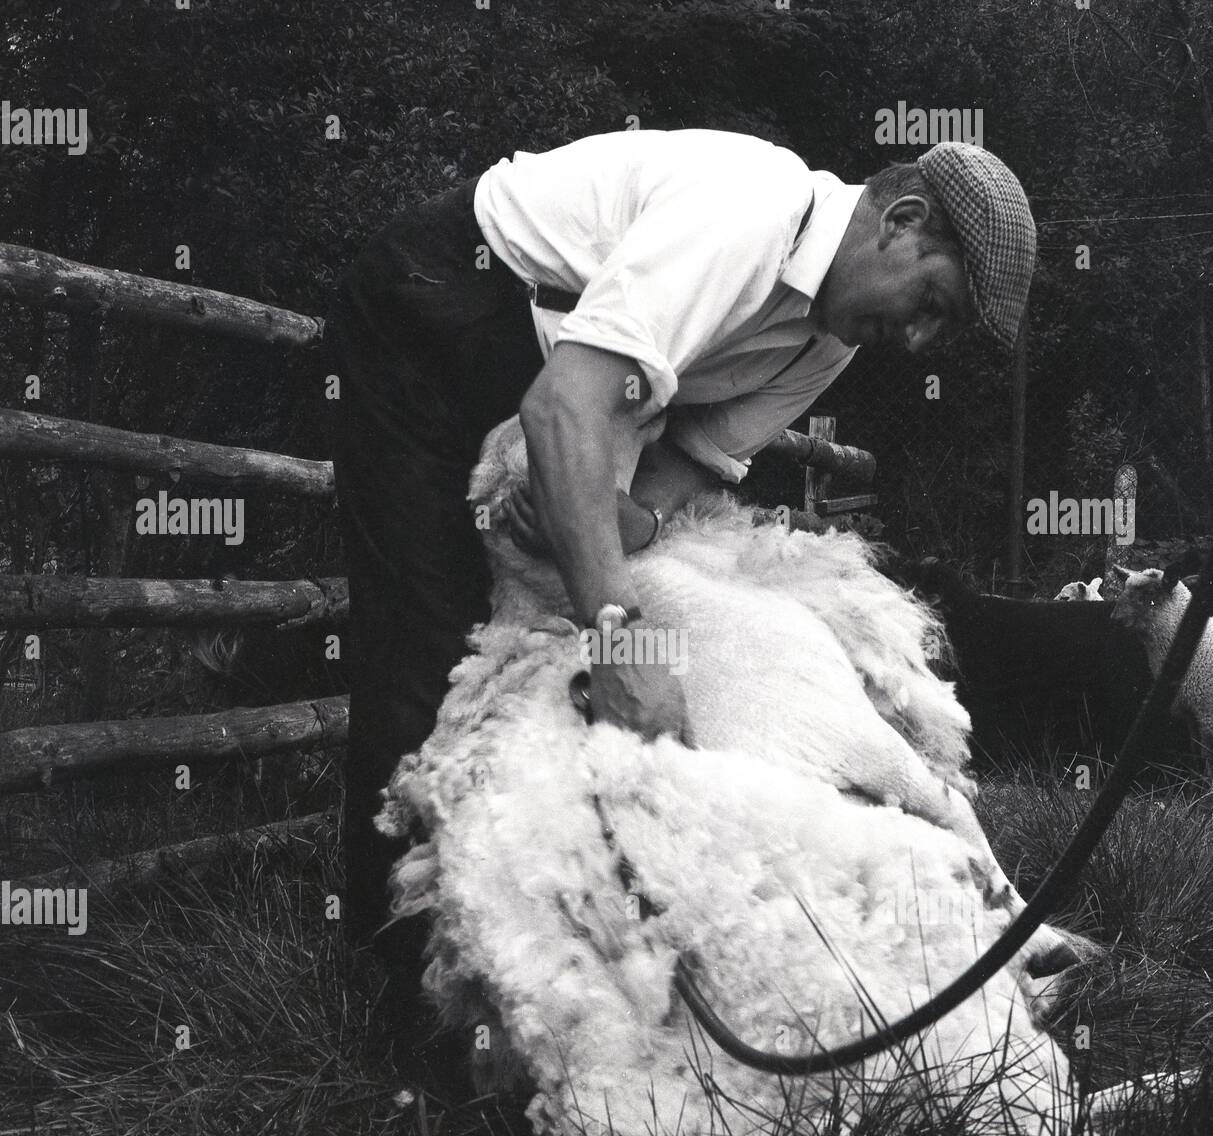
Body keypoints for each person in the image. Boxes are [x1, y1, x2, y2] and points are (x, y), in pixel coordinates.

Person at [326, 129, 1036, 1084]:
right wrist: (620, 635)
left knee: (536, 648)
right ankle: (391, 1018)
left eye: (936, 333)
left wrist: (595, 522)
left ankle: (524, 992)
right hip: (446, 296)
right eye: (927, 305)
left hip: (565, 372)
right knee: (430, 634)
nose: (914, 342)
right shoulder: (744, 212)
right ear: (901, 222)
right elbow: (564, 408)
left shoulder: (825, 345)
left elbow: (671, 479)